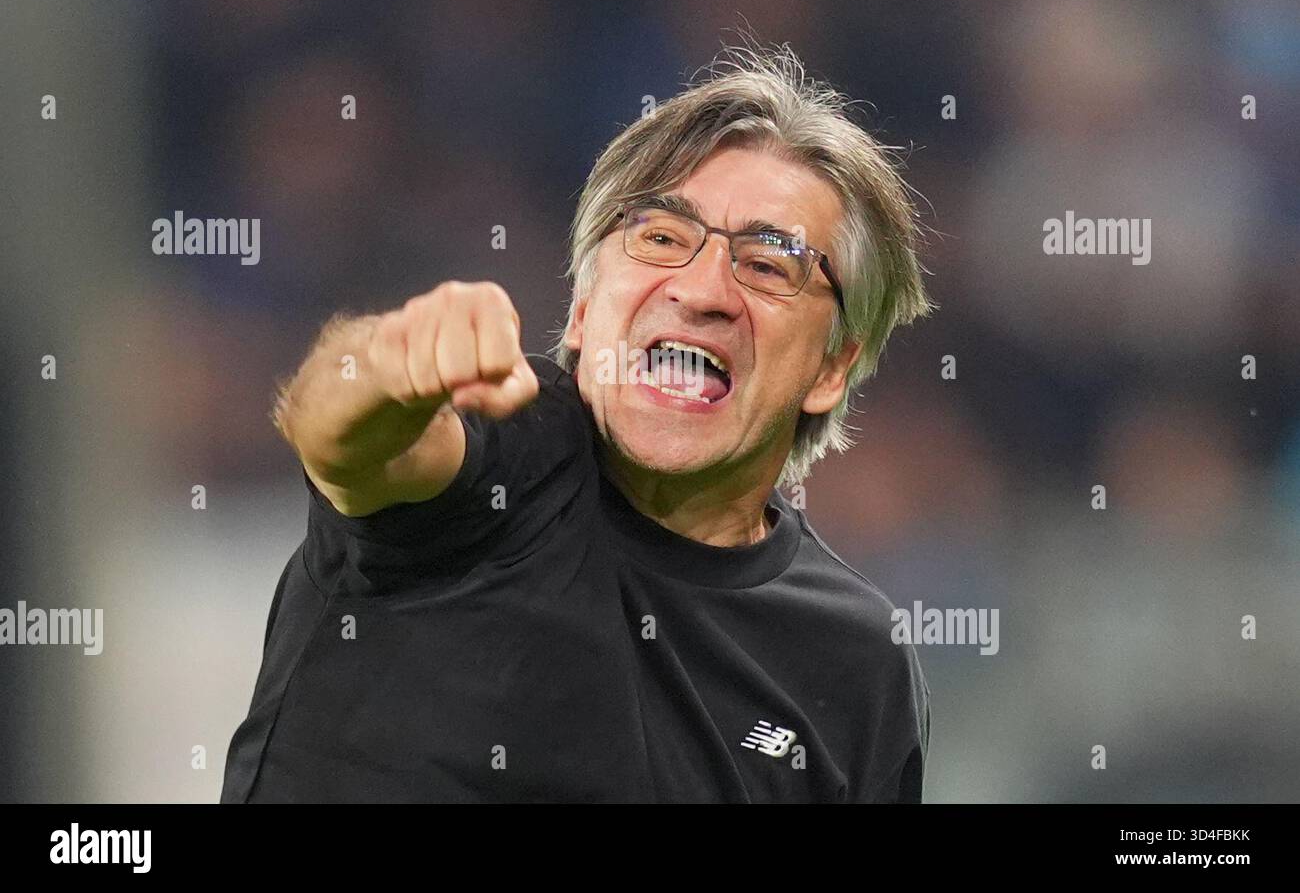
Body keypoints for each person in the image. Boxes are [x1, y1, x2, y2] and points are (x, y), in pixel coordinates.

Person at [222, 41, 935, 803]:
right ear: (588, 307)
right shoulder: (502, 454)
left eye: (768, 264)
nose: (701, 290)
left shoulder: (859, 661)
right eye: (661, 237)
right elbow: (342, 439)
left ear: (832, 367)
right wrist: (389, 368)